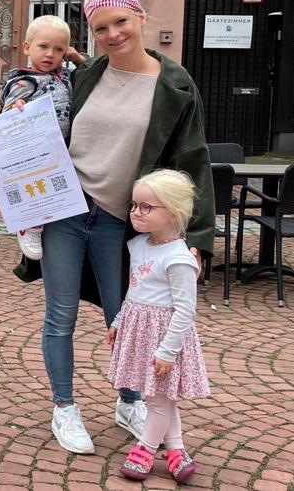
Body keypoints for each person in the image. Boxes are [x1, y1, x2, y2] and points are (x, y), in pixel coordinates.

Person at [14, 0, 214, 455]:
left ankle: (128, 400)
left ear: (140, 17)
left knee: (125, 314)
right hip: (65, 209)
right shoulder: (84, 76)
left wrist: (198, 236)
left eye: (120, 21)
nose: (113, 34)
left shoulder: (173, 83)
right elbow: (38, 95)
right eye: (101, 28)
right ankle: (64, 406)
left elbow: (193, 159)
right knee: (59, 316)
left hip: (118, 219)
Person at [108, 169, 209, 484]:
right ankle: (177, 450)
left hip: (163, 340)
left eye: (146, 207)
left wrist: (168, 350)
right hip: (140, 335)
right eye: (135, 205)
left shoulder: (178, 258)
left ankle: (146, 449)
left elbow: (184, 310)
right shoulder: (137, 246)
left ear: (174, 212)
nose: (136, 213)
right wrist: (119, 320)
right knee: (163, 398)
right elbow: (133, 291)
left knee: (156, 400)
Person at [0, 14, 76, 261]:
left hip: (61, 147)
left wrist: (78, 58)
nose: (50, 54)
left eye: (59, 49)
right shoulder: (24, 80)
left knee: (53, 188)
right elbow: (5, 114)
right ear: (27, 47)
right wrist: (15, 107)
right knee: (34, 190)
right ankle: (29, 227)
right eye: (43, 46)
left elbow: (94, 69)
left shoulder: (65, 75)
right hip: (35, 150)